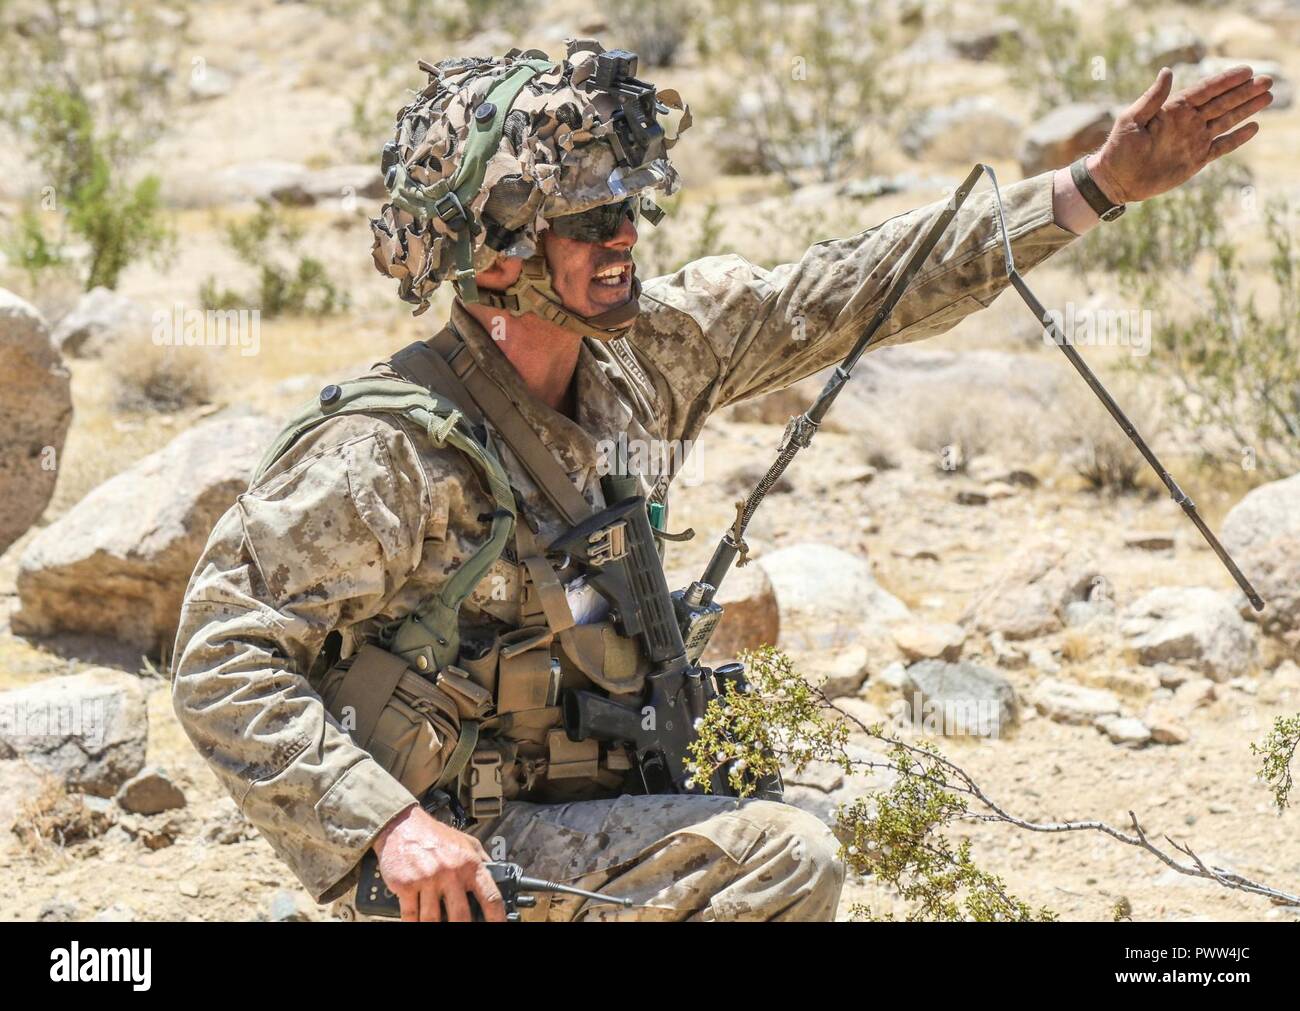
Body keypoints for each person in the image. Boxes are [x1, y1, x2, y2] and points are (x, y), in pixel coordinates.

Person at [171, 39, 1273, 922]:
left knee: (835, 802)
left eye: (629, 211)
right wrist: (383, 828)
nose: (625, 241)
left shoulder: (650, 351)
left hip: (584, 801)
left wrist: (1093, 189)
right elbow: (220, 654)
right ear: (497, 259)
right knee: (782, 865)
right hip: (461, 868)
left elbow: (853, 289)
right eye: (590, 223)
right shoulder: (391, 452)